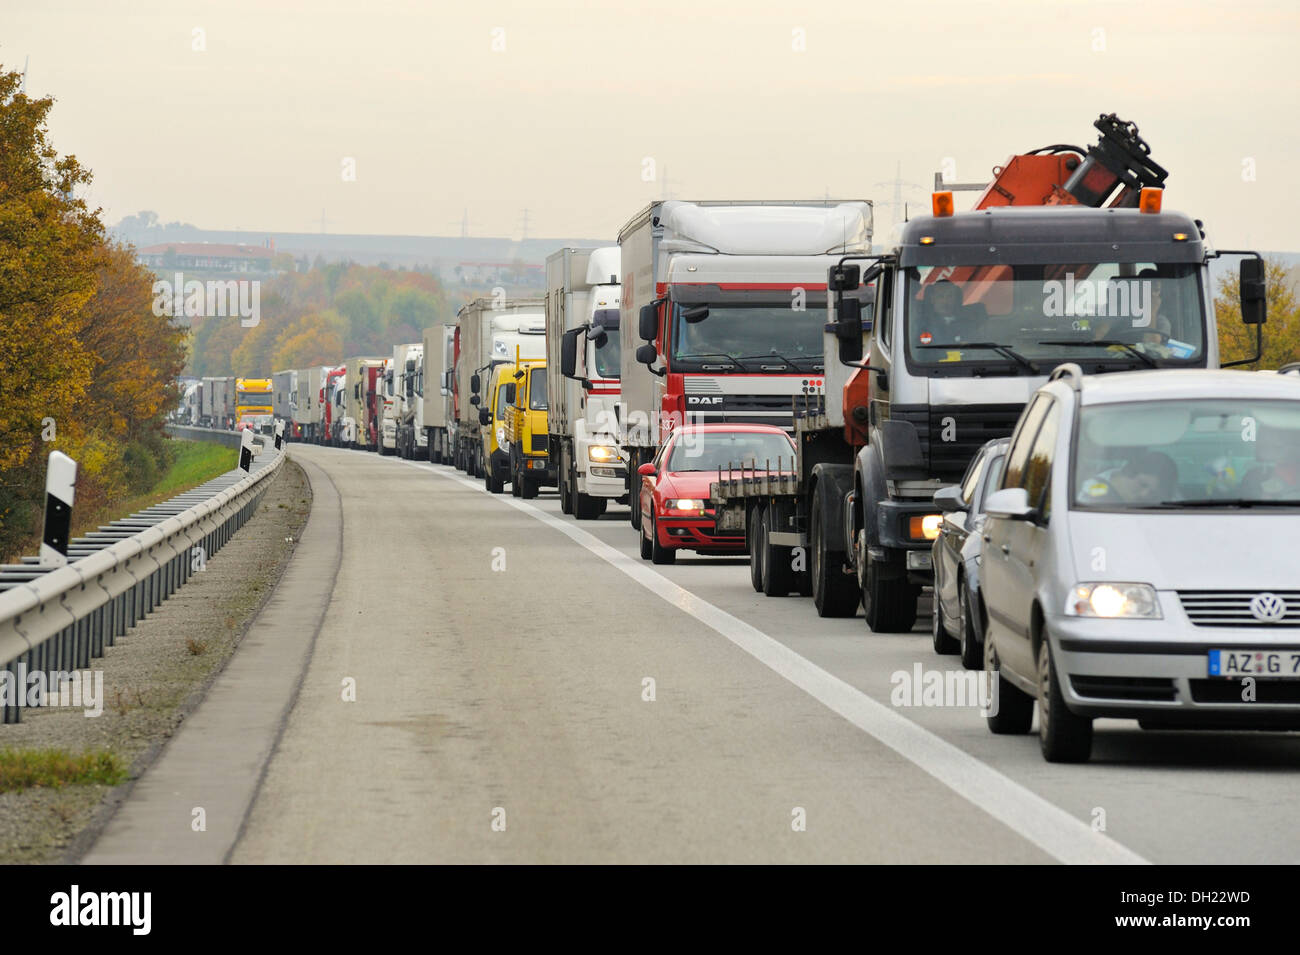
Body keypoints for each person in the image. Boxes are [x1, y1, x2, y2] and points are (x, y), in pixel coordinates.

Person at [1079, 450, 1179, 505]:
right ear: (1127, 473)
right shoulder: (1092, 490)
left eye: (1152, 492)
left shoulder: (1162, 494)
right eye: (1142, 484)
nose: (1144, 495)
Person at [915, 279, 985, 346]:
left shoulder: (968, 324)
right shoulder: (923, 324)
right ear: (932, 299)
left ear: (956, 299)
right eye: (940, 296)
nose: (945, 301)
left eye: (950, 296)